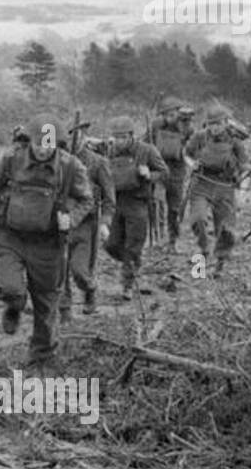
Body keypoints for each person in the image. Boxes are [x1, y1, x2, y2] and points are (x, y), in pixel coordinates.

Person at [0, 115, 92, 373]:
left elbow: (86, 201)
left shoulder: (71, 167)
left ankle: (42, 355)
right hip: (10, 237)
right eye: (39, 142)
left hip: (48, 243)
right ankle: (13, 306)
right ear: (29, 141)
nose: (43, 148)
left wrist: (70, 219)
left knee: (46, 301)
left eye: (49, 144)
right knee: (12, 288)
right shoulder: (11, 160)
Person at [101, 116, 168, 297]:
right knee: (111, 244)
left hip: (138, 203)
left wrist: (149, 175)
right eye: (116, 137)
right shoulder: (110, 151)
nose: (119, 141)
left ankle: (128, 284)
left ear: (131, 136)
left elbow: (164, 172)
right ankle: (133, 263)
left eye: (122, 137)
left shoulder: (147, 150)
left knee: (133, 244)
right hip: (116, 202)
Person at [184, 102, 250, 275]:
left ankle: (220, 262)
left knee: (225, 229)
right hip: (202, 184)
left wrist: (242, 192)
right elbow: (186, 153)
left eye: (218, 124)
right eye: (211, 124)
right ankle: (203, 251)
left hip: (225, 186)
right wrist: (192, 164)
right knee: (197, 219)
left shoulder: (235, 142)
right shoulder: (200, 137)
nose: (214, 128)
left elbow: (246, 169)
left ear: (226, 123)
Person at [58, 118, 114, 317]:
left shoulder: (98, 162)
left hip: (86, 224)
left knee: (80, 270)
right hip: (61, 222)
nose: (77, 139)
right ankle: (64, 306)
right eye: (72, 134)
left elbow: (109, 198)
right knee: (60, 268)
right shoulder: (59, 160)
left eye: (80, 134)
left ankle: (90, 290)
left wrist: (105, 223)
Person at [148, 96, 192, 248]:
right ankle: (157, 237)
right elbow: (145, 143)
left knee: (174, 208)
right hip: (158, 169)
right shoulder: (155, 126)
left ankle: (172, 240)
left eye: (173, 114)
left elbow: (193, 148)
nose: (170, 117)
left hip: (177, 172)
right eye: (167, 114)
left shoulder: (186, 127)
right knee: (156, 202)